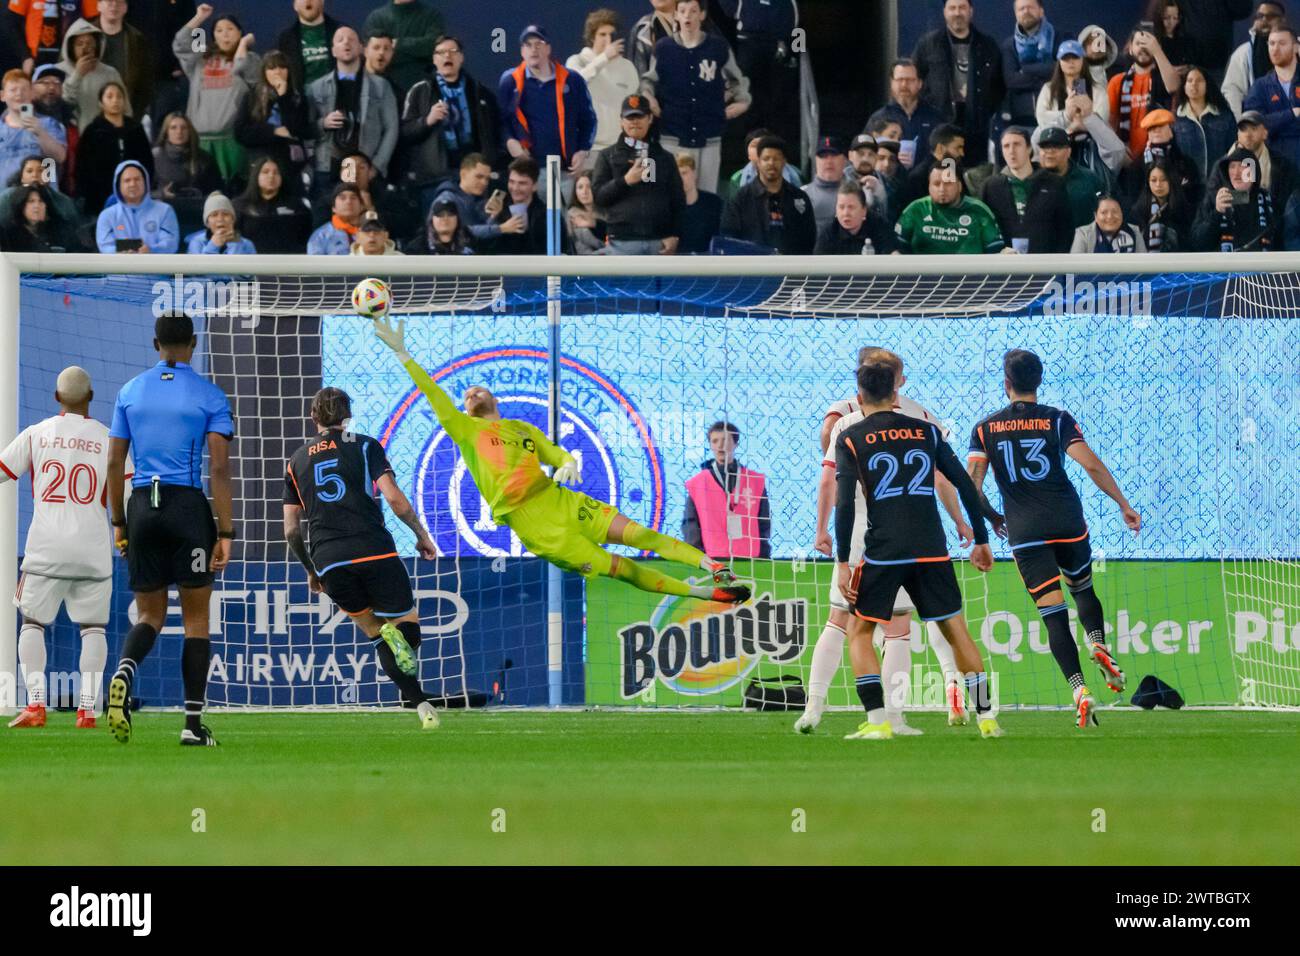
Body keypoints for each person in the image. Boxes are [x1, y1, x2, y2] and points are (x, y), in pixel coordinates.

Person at [373, 313, 752, 604]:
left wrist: (567, 460)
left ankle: (714, 568)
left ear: (493, 398)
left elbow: (553, 452)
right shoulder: (466, 430)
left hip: (561, 500)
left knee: (642, 534)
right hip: (537, 526)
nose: (471, 392)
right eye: (467, 394)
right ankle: (705, 595)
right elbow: (432, 392)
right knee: (623, 569)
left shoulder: (522, 429)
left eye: (476, 389)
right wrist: (404, 354)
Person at [799, 347, 977, 736]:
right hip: (911, 529)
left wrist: (822, 529)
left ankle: (817, 707)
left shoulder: (844, 419)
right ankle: (901, 714)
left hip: (860, 529)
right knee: (902, 625)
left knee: (841, 620)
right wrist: (963, 522)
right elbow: (943, 478)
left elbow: (830, 478)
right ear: (899, 381)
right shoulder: (920, 416)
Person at [968, 349, 1139, 728]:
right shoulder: (1057, 419)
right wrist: (1123, 504)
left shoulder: (985, 428)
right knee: (1083, 589)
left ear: (1006, 383)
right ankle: (1098, 643)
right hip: (1067, 521)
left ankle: (1080, 690)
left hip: (1025, 531)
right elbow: (1090, 462)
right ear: (1039, 381)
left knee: (1053, 616)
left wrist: (992, 519)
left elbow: (972, 486)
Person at [833, 359, 1001, 741]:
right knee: (956, 631)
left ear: (860, 397)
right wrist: (981, 539)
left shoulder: (850, 437)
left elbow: (844, 504)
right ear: (895, 394)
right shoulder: (926, 431)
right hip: (931, 548)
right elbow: (963, 485)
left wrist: (843, 561)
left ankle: (878, 723)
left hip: (883, 550)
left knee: (859, 632)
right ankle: (987, 717)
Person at [105, 311, 235, 746]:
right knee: (196, 620)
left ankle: (124, 671)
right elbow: (218, 466)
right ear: (193, 343)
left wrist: (119, 522)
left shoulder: (129, 391)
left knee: (149, 615)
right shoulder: (210, 394)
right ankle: (192, 726)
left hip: (142, 504)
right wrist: (226, 532)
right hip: (186, 507)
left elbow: (114, 462)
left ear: (155, 343)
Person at [283, 387, 439, 729]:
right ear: (347, 416)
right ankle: (406, 663)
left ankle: (423, 706)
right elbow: (395, 499)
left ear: (313, 417)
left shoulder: (296, 461)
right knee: (407, 632)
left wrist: (311, 570)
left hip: (329, 559)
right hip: (374, 548)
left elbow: (292, 530)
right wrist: (421, 535)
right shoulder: (366, 445)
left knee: (375, 632)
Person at [1, 367, 119, 730]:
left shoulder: (37, 434)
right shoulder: (108, 439)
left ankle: (36, 706)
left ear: (56, 398)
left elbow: (4, 471)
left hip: (46, 550)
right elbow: (127, 491)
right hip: (93, 551)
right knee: (94, 627)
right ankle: (87, 709)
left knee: (32, 621)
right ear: (91, 396)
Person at [640, 0, 750, 194]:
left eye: (693, 11)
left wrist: (742, 103)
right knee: (674, 194)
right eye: (682, 11)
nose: (687, 16)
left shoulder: (717, 47)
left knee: (706, 195)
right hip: (673, 134)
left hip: (709, 135)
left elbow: (738, 81)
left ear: (702, 15)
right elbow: (647, 81)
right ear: (676, 15)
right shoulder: (664, 48)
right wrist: (649, 98)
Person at [399, 35, 502, 207]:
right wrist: (427, 120)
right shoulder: (420, 91)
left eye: (453, 52)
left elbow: (494, 133)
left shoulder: (480, 92)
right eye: (441, 53)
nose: (447, 56)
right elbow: (404, 133)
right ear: (434, 59)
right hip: (435, 178)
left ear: (461, 57)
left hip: (474, 176)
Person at [911, 0, 1005, 168]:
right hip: (941, 126)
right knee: (946, 173)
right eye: (952, 8)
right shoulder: (928, 44)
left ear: (971, 11)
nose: (957, 12)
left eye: (962, 7)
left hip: (977, 128)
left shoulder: (988, 45)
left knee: (975, 177)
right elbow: (915, 78)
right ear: (944, 12)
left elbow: (1000, 86)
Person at [173, 6, 260, 184]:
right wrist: (199, 18)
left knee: (234, 188)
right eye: (219, 30)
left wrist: (243, 45)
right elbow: (180, 44)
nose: (225, 34)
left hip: (232, 141)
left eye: (230, 29)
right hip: (200, 141)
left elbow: (246, 71)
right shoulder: (200, 57)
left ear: (240, 32)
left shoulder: (251, 58)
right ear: (213, 36)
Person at [497, 24, 597, 174]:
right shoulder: (510, 81)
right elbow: (500, 121)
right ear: (522, 51)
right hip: (526, 169)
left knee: (561, 197)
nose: (533, 49)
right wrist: (510, 140)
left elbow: (588, 119)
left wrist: (583, 150)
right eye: (528, 45)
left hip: (565, 168)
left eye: (539, 44)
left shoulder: (572, 79)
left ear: (548, 48)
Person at [591, 93, 683, 255]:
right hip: (621, 242)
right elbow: (599, 197)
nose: (634, 121)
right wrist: (625, 181)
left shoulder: (665, 158)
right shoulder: (607, 155)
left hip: (660, 242)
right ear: (621, 121)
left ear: (650, 118)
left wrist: (675, 235)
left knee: (657, 281)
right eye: (629, 117)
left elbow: (678, 200)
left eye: (639, 116)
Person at [308, 25, 399, 183]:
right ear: (333, 50)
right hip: (327, 167)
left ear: (361, 48)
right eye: (340, 40)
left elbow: (392, 128)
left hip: (365, 167)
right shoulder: (316, 88)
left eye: (351, 39)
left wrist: (377, 166)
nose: (346, 43)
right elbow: (305, 129)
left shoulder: (381, 86)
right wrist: (323, 123)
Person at [713, 0, 801, 149]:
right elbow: (728, 9)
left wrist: (796, 52)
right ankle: (750, 137)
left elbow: (797, 26)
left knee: (777, 93)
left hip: (778, 46)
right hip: (748, 42)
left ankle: (775, 137)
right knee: (747, 91)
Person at [681, 420, 770, 560]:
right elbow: (690, 524)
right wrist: (698, 557)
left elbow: (763, 523)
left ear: (736, 443)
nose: (720, 446)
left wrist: (764, 556)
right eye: (715, 441)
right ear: (710, 445)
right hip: (712, 558)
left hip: (751, 558)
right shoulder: (698, 483)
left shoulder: (755, 480)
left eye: (725, 440)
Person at [980, 125, 1072, 252]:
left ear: (1029, 148)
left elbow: (1065, 229)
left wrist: (1056, 263)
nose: (1011, 151)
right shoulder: (990, 186)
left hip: (1046, 265)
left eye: (1017, 144)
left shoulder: (1054, 183)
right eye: (1006, 146)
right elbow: (984, 228)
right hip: (1003, 266)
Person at [720, 134, 816, 253]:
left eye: (776, 158)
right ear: (758, 162)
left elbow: (809, 238)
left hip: (791, 268)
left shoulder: (799, 197)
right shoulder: (740, 198)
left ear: (784, 162)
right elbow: (729, 237)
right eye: (766, 158)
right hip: (752, 268)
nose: (771, 163)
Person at [567, 9, 640, 164]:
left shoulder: (627, 67)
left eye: (611, 35)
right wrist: (604, 58)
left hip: (618, 149)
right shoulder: (576, 61)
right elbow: (575, 84)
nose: (607, 39)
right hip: (585, 150)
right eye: (602, 34)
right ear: (592, 37)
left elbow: (635, 106)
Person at [234, 50, 313, 191]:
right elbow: (240, 132)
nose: (277, 72)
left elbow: (298, 130)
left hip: (289, 164)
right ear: (264, 72)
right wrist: (274, 131)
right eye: (272, 68)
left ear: (289, 71)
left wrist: (283, 98)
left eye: (282, 67)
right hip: (258, 162)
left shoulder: (297, 98)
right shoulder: (252, 96)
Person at [895, 159, 1005, 254]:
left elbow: (996, 250)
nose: (942, 189)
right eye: (936, 184)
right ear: (929, 186)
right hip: (923, 277)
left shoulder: (979, 210)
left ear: (959, 186)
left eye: (948, 183)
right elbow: (897, 249)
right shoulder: (916, 209)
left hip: (970, 276)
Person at [74, 80, 150, 215]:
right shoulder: (92, 131)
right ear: (101, 102)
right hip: (99, 196)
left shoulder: (135, 129)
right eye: (109, 97)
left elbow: (146, 160)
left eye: (119, 96)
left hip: (134, 193)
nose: (115, 100)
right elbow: (82, 166)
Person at [1107, 25, 1179, 162]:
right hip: (1127, 157)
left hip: (1160, 156)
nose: (1143, 48)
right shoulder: (1118, 81)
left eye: (1149, 44)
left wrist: (1157, 51)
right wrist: (1118, 148)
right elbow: (1110, 122)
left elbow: (1174, 87)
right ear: (1130, 49)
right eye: (1139, 43)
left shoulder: (1163, 77)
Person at [152, 112, 224, 238]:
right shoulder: (154, 157)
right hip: (164, 217)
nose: (179, 132)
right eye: (173, 127)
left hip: (197, 217)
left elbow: (218, 191)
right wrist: (161, 194)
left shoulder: (204, 158)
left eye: (184, 127)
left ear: (190, 131)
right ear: (166, 132)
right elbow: (140, 194)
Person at [1191, 146, 1280, 249]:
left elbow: (1281, 242)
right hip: (1224, 264)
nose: (1236, 173)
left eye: (1243, 166)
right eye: (1232, 166)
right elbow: (1197, 243)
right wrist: (1217, 213)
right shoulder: (1214, 199)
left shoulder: (1268, 200)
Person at [866, 59, 946, 172]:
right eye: (899, 80)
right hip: (888, 184)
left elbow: (947, 157)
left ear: (919, 83)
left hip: (926, 186)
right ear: (891, 83)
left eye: (910, 80)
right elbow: (866, 155)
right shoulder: (878, 118)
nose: (904, 85)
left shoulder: (935, 118)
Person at [1243, 24, 1300, 167]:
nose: (1275, 49)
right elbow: (1253, 125)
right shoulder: (1260, 86)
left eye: (1282, 43)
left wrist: (1274, 123)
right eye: (1272, 43)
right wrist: (1292, 114)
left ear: (1296, 47)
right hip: (1275, 166)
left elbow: (1265, 123)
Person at [232, 153, 313, 253]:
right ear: (255, 176)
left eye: (276, 173)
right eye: (265, 172)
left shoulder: (297, 206)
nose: (271, 176)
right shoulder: (240, 206)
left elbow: (306, 237)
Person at [58, 18, 131, 127]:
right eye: (79, 43)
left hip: (102, 135)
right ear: (70, 47)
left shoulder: (109, 72)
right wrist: (77, 74)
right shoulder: (57, 71)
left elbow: (125, 109)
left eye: (89, 43)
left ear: (97, 46)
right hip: (70, 136)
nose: (85, 47)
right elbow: (60, 104)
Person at [95, 159, 179, 253]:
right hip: (119, 266)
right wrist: (121, 251)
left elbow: (171, 243)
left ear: (146, 182)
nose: (133, 184)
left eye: (137, 179)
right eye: (127, 180)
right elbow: (105, 246)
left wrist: (151, 249)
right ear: (118, 185)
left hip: (155, 266)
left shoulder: (165, 211)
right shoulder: (107, 215)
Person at [0, 69, 67, 186]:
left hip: (41, 197)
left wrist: (40, 132)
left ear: (32, 93)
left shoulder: (49, 124)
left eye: (24, 89)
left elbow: (60, 157)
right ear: (3, 95)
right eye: (13, 90)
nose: (19, 94)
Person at [362, 0, 444, 95]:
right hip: (381, 90)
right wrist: (418, 51)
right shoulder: (376, 18)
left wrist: (398, 44)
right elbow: (371, 58)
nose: (383, 51)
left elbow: (434, 47)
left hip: (423, 91)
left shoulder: (432, 16)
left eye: (387, 48)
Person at [1175, 65, 1240, 181]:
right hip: (1187, 187)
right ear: (1184, 86)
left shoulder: (1224, 116)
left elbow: (1234, 150)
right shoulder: (1176, 119)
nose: (1194, 84)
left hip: (1218, 183)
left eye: (1199, 80)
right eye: (1189, 81)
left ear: (1207, 85)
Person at [1001, 0, 1058, 132]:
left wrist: (1025, 69)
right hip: (1021, 119)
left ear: (1041, 11)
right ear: (1015, 13)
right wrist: (1045, 76)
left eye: (1030, 7)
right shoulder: (1009, 45)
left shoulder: (1058, 38)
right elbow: (1011, 80)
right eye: (1021, 9)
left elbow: (1060, 71)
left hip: (1056, 115)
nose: (1026, 11)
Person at [1223, 2, 1287, 116]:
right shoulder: (1242, 53)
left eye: (1271, 16)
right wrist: (1239, 125)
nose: (1264, 20)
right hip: (1256, 122)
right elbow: (1232, 90)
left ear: (1283, 20)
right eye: (1260, 16)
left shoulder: (1296, 47)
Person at [1035, 124, 1105, 227]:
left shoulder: (1090, 179)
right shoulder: (1029, 183)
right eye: (1045, 147)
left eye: (1056, 146)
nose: (1050, 151)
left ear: (1068, 152)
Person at [90, 0, 152, 115]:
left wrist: (136, 113)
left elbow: (145, 81)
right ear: (98, 5)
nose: (114, 5)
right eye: (109, 1)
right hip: (89, 108)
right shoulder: (83, 36)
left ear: (125, 8)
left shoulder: (137, 40)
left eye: (119, 2)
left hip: (126, 111)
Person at [486, 155, 556, 255]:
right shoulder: (499, 210)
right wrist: (494, 219)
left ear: (535, 186)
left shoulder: (547, 216)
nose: (515, 188)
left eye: (522, 183)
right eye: (512, 182)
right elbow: (484, 247)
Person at [432, 152, 506, 246]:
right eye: (479, 177)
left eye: (487, 179)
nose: (484, 183)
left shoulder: (479, 200)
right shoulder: (446, 199)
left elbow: (482, 234)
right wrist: (500, 228)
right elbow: (456, 233)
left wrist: (493, 216)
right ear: (463, 174)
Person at [1036, 39, 1109, 129]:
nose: (1071, 62)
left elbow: (1103, 119)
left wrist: (1085, 118)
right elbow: (1041, 118)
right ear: (1059, 62)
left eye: (1075, 57)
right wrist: (1066, 115)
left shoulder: (1097, 90)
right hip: (1057, 140)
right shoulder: (1048, 89)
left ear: (1083, 60)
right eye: (1065, 58)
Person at [1134, 107, 1202, 205]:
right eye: (1152, 128)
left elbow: (1196, 195)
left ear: (1171, 131)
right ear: (1148, 134)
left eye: (1161, 126)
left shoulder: (1186, 163)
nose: (1157, 130)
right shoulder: (1138, 165)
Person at [813, 179, 897, 254]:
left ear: (864, 210)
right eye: (841, 207)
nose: (846, 213)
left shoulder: (879, 225)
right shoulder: (828, 232)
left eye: (851, 207)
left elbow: (893, 256)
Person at [276, 0, 344, 91]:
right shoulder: (286, 39)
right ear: (295, 5)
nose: (308, 1)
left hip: (338, 99)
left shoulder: (343, 33)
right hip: (302, 101)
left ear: (322, 2)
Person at [723, 126, 802, 199]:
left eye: (764, 145)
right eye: (754, 145)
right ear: (748, 155)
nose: (759, 149)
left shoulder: (795, 174)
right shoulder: (737, 178)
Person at [1129, 159, 1192, 249]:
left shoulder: (1183, 208)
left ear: (1171, 180)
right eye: (1153, 180)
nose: (1158, 185)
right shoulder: (1139, 210)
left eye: (1164, 180)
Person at [900, 122, 964, 209]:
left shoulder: (956, 171)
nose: (962, 153)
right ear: (940, 148)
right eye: (958, 148)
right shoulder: (918, 177)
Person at [801, 135, 850, 232]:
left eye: (834, 155)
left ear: (844, 160)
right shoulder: (802, 195)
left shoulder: (858, 193)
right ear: (816, 160)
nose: (829, 161)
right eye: (823, 156)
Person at [675, 151, 720, 253]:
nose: (680, 179)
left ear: (694, 173)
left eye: (684, 173)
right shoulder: (667, 206)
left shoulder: (714, 203)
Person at [184, 190, 255, 254]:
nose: (220, 219)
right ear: (207, 223)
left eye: (225, 214)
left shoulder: (247, 245)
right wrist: (213, 246)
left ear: (233, 220)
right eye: (214, 215)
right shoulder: (197, 243)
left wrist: (234, 243)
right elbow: (200, 267)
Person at [1070, 193, 1147, 251]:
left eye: (1115, 212)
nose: (1110, 216)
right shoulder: (1083, 234)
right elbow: (1074, 267)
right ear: (1095, 216)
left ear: (1122, 213)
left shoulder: (1134, 231)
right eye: (1104, 212)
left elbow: (1145, 266)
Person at [405, 194, 473, 254]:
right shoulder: (416, 248)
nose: (445, 218)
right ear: (432, 219)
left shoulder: (470, 242)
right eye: (440, 215)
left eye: (450, 214)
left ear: (457, 218)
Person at [307, 181, 362, 254]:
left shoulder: (371, 232)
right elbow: (314, 264)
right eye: (342, 198)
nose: (348, 201)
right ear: (333, 208)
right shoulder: (321, 236)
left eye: (353, 198)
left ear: (361, 206)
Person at [567, 167, 606, 254]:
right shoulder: (571, 216)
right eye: (580, 187)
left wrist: (594, 224)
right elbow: (575, 246)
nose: (584, 192)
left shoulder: (607, 212)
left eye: (589, 187)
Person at [1148, 0, 1196, 69]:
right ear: (1159, 17)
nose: (1171, 22)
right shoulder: (1153, 40)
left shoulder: (1186, 40)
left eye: (1175, 18)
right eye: (1166, 18)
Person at [1079, 24, 1120, 90]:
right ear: (1083, 47)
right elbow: (1078, 98)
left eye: (1101, 43)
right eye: (1091, 42)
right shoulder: (1078, 76)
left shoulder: (1117, 75)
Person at [364, 31, 400, 103]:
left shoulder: (396, 91)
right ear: (365, 51)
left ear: (392, 53)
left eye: (386, 49)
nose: (381, 52)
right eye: (376, 48)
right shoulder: (352, 81)